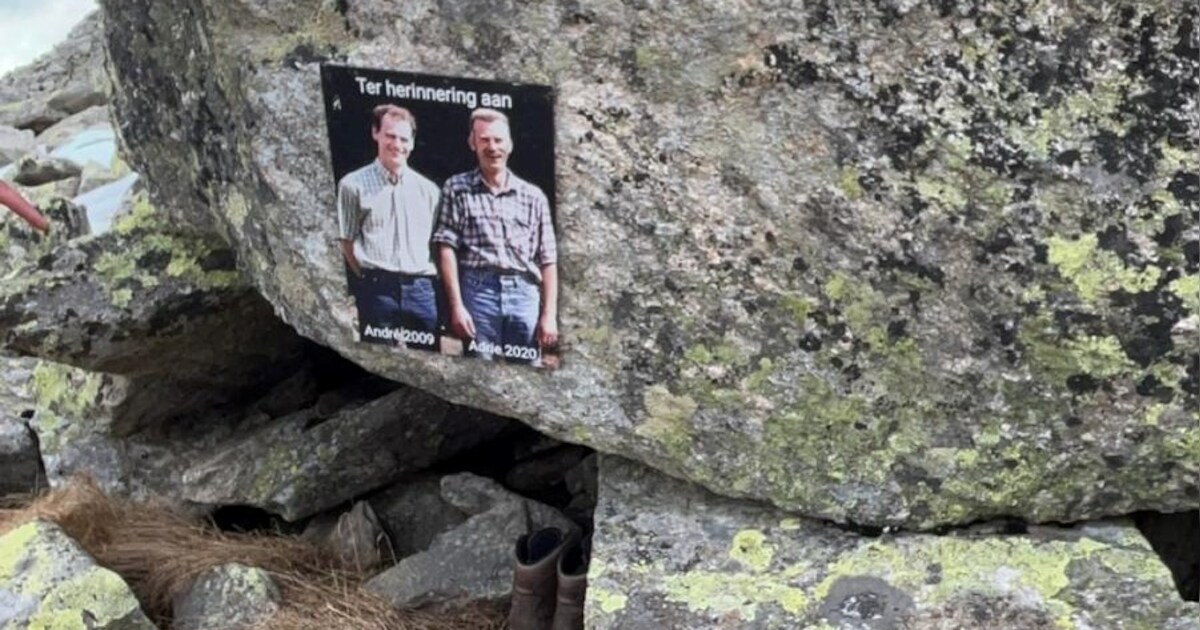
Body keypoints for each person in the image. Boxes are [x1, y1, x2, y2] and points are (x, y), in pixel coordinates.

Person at [433, 108, 558, 363]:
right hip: (478, 293)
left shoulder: (533, 196)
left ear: (509, 145)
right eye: (484, 140)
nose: (492, 147)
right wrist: (457, 306)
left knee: (529, 374)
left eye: (498, 140)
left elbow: (548, 259)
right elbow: (446, 248)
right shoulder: (456, 189)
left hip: (524, 294)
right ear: (472, 143)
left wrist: (549, 314)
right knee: (480, 371)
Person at [337, 104, 441, 350]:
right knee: (379, 360)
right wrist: (368, 277)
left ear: (413, 143)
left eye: (404, 138)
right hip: (377, 289)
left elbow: (435, 244)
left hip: (421, 290)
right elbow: (346, 240)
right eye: (390, 136)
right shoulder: (352, 185)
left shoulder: (430, 191)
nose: (397, 144)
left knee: (432, 363)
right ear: (376, 134)